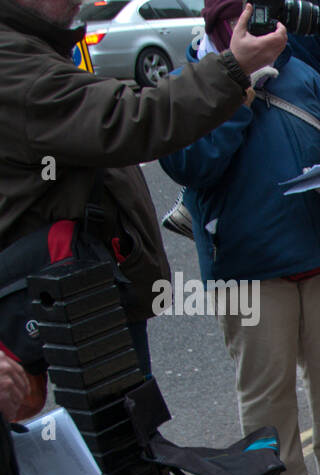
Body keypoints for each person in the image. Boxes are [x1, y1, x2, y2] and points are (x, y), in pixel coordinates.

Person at [0, 1, 286, 377]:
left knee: (123, 419)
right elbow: (129, 119)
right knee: (112, 424)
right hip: (66, 288)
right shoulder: (16, 63)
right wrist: (232, 68)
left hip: (85, 284)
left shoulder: (29, 46)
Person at [161, 0, 320, 475]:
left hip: (319, 248)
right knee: (266, 384)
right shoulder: (193, 82)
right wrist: (240, 93)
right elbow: (190, 164)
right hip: (247, 262)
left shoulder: (301, 70)